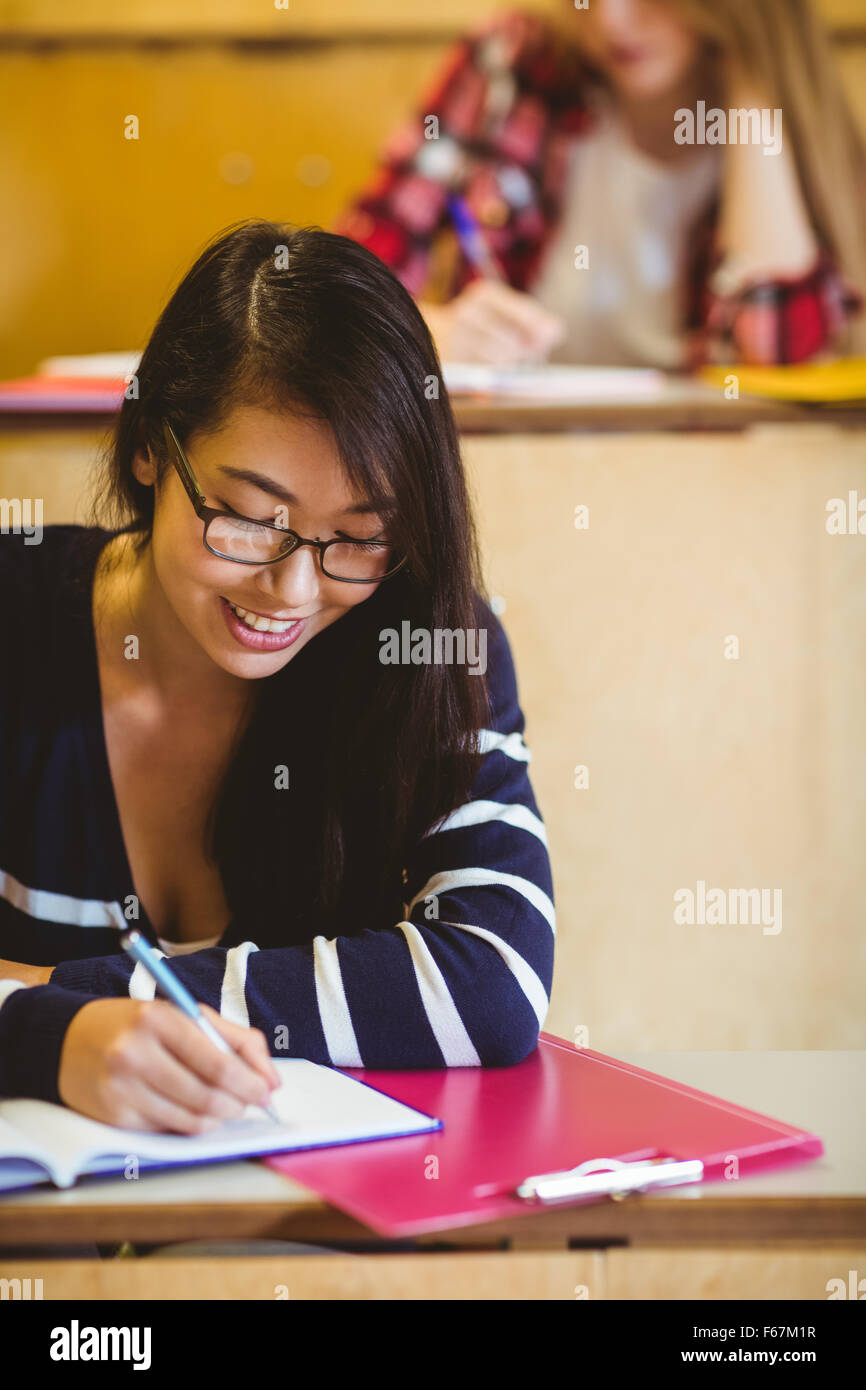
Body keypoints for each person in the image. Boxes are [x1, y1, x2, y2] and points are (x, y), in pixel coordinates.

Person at [0, 221, 555, 1131]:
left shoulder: (432, 646)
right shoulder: (15, 621)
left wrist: (59, 996)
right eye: (251, 516)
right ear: (148, 446)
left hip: (297, 1236)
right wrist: (53, 1043)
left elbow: (491, 982)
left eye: (360, 536)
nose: (292, 588)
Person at [335, 0, 866, 368]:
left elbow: (773, 347)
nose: (611, 20)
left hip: (712, 486)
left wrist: (754, 85)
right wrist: (430, 335)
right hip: (507, 471)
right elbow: (340, 296)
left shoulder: (778, 132)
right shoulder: (514, 67)